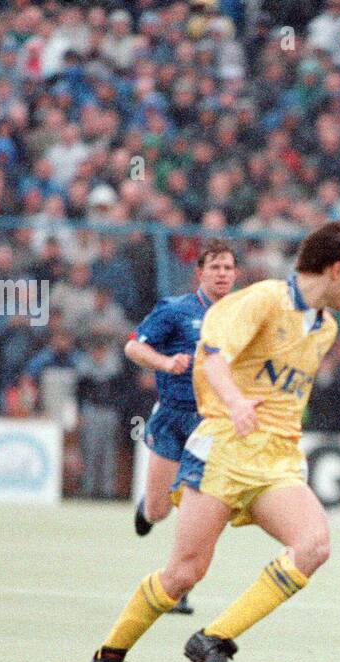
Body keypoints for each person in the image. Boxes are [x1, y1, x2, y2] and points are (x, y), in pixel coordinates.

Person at [88, 221, 340, 662]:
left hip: (275, 461)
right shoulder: (264, 299)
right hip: (222, 450)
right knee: (184, 574)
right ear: (337, 270)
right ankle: (109, 656)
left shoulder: (326, 329)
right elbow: (213, 357)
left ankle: (214, 638)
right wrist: (236, 403)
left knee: (314, 546)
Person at [123, 239, 238, 616]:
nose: (222, 274)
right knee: (160, 509)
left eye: (228, 268)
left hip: (212, 425)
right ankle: (146, 508)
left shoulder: (243, 316)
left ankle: (179, 585)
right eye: (215, 267)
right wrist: (164, 362)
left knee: (194, 505)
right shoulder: (175, 310)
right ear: (200, 273)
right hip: (173, 416)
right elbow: (134, 348)